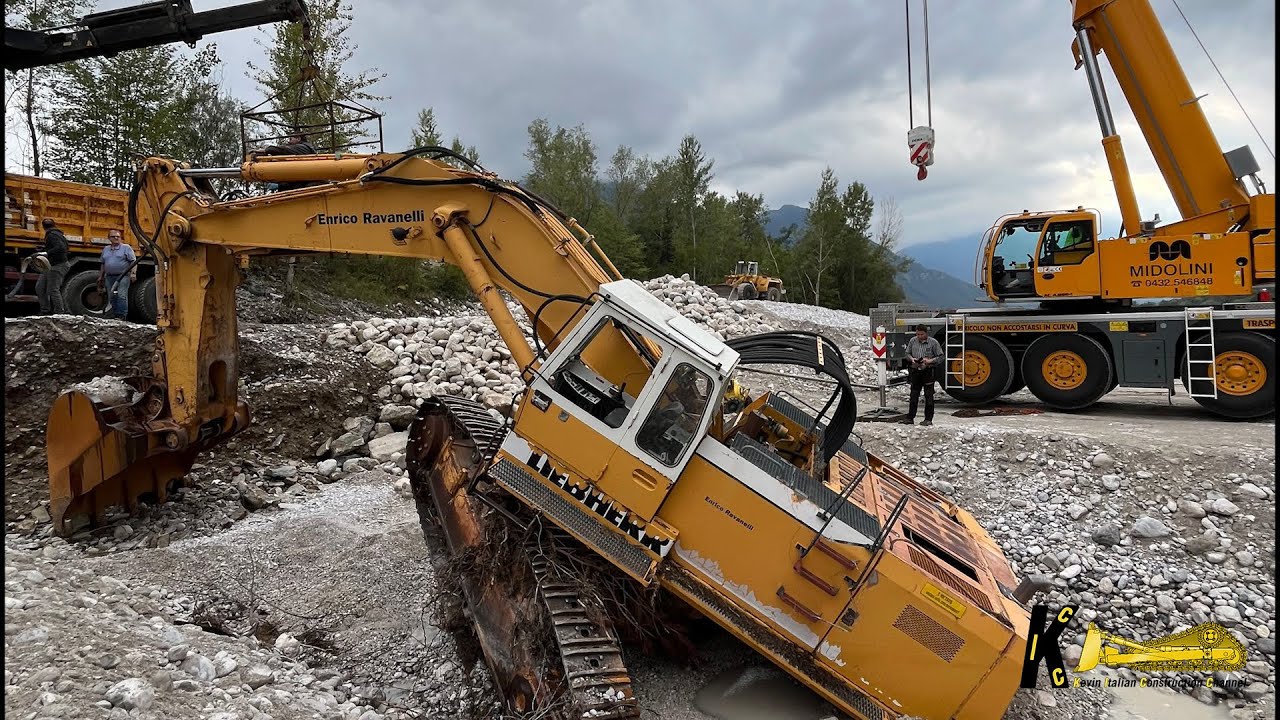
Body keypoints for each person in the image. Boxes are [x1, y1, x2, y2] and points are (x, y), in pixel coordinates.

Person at [904, 324, 944, 426]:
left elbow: (941, 357)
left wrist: (929, 361)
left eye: (921, 334)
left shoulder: (933, 343)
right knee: (914, 395)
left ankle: (928, 419)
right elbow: (907, 353)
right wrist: (912, 359)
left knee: (928, 396)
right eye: (917, 334)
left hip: (928, 371)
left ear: (926, 333)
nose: (919, 336)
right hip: (915, 371)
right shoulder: (913, 341)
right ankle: (910, 417)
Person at [97, 229, 137, 319]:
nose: (116, 238)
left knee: (121, 295)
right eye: (113, 236)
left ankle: (121, 315)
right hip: (109, 276)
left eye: (118, 236)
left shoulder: (126, 248)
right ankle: (114, 314)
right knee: (112, 295)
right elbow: (103, 263)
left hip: (123, 276)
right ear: (109, 238)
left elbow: (133, 261)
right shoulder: (106, 249)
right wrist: (101, 276)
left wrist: (133, 273)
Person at [35, 218, 69, 314]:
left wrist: (46, 253)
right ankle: (45, 310)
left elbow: (61, 248)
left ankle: (59, 312)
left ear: (43, 227)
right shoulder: (57, 234)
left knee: (53, 289)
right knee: (40, 287)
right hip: (51, 265)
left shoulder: (52, 235)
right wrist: (44, 248)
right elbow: (64, 247)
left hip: (57, 265)